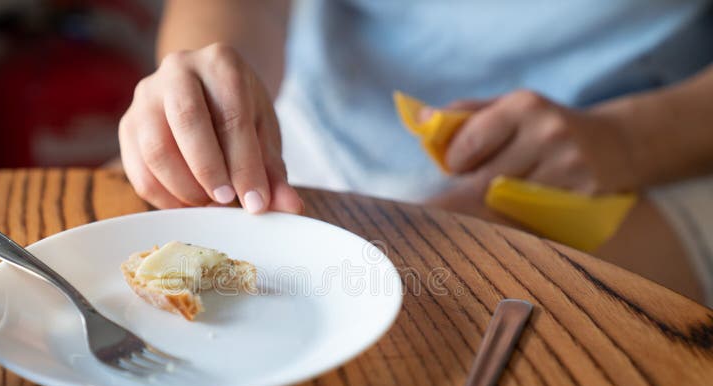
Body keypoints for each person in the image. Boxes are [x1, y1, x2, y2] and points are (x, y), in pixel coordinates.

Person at [117, 0, 713, 305]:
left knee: (429, 308)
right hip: (302, 120)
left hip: (650, 148)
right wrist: (206, 84)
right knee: (116, 239)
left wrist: (629, 140)